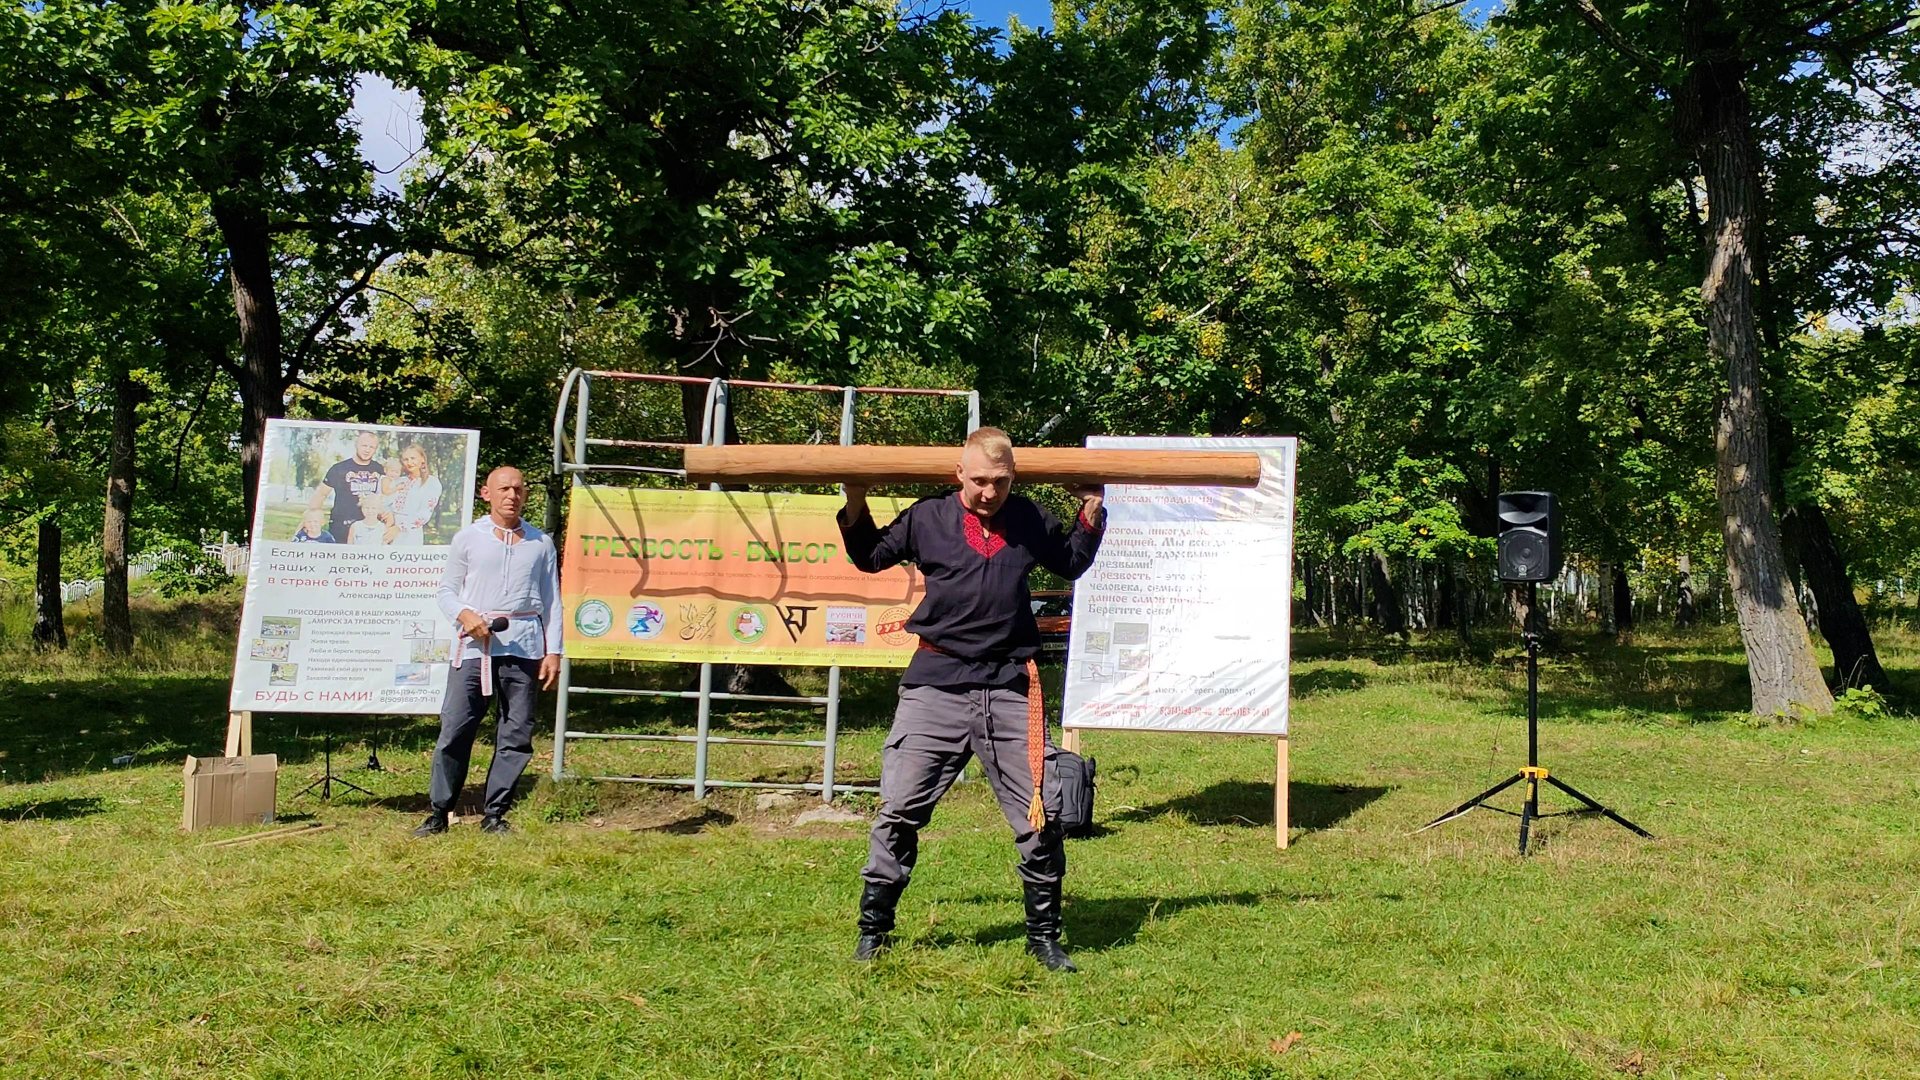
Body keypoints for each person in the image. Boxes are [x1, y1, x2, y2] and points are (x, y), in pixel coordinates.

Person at [838, 426, 1105, 972]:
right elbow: (869, 557)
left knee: (1042, 815)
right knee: (899, 809)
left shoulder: (1028, 518)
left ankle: (1044, 938)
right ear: (959, 473)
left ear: (1013, 477)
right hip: (935, 682)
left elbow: (1071, 562)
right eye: (980, 480)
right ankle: (874, 931)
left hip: (1009, 684)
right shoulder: (928, 517)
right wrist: (856, 498)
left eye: (1000, 481)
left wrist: (1092, 509)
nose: (989, 492)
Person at [414, 466, 563, 837]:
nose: (511, 495)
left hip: (524, 645)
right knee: (456, 727)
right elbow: (446, 591)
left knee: (517, 731)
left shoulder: (540, 543)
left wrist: (553, 650)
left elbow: (552, 600)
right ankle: (439, 811)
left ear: (525, 495)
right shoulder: (468, 539)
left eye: (518, 489)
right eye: (504, 489)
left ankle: (495, 813)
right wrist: (465, 614)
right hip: (475, 648)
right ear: (486, 494)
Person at [309, 431, 384, 545]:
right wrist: (311, 517)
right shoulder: (339, 468)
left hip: (368, 527)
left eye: (371, 447)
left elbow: (386, 495)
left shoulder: (379, 469)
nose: (367, 450)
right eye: (364, 445)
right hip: (341, 525)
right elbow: (321, 494)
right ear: (356, 445)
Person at [383, 444, 442, 546]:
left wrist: (399, 528)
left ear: (422, 459)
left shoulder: (431, 482)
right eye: (406, 459)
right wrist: (387, 515)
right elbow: (386, 501)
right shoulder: (398, 481)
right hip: (388, 528)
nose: (409, 462)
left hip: (410, 533)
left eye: (413, 458)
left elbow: (424, 513)